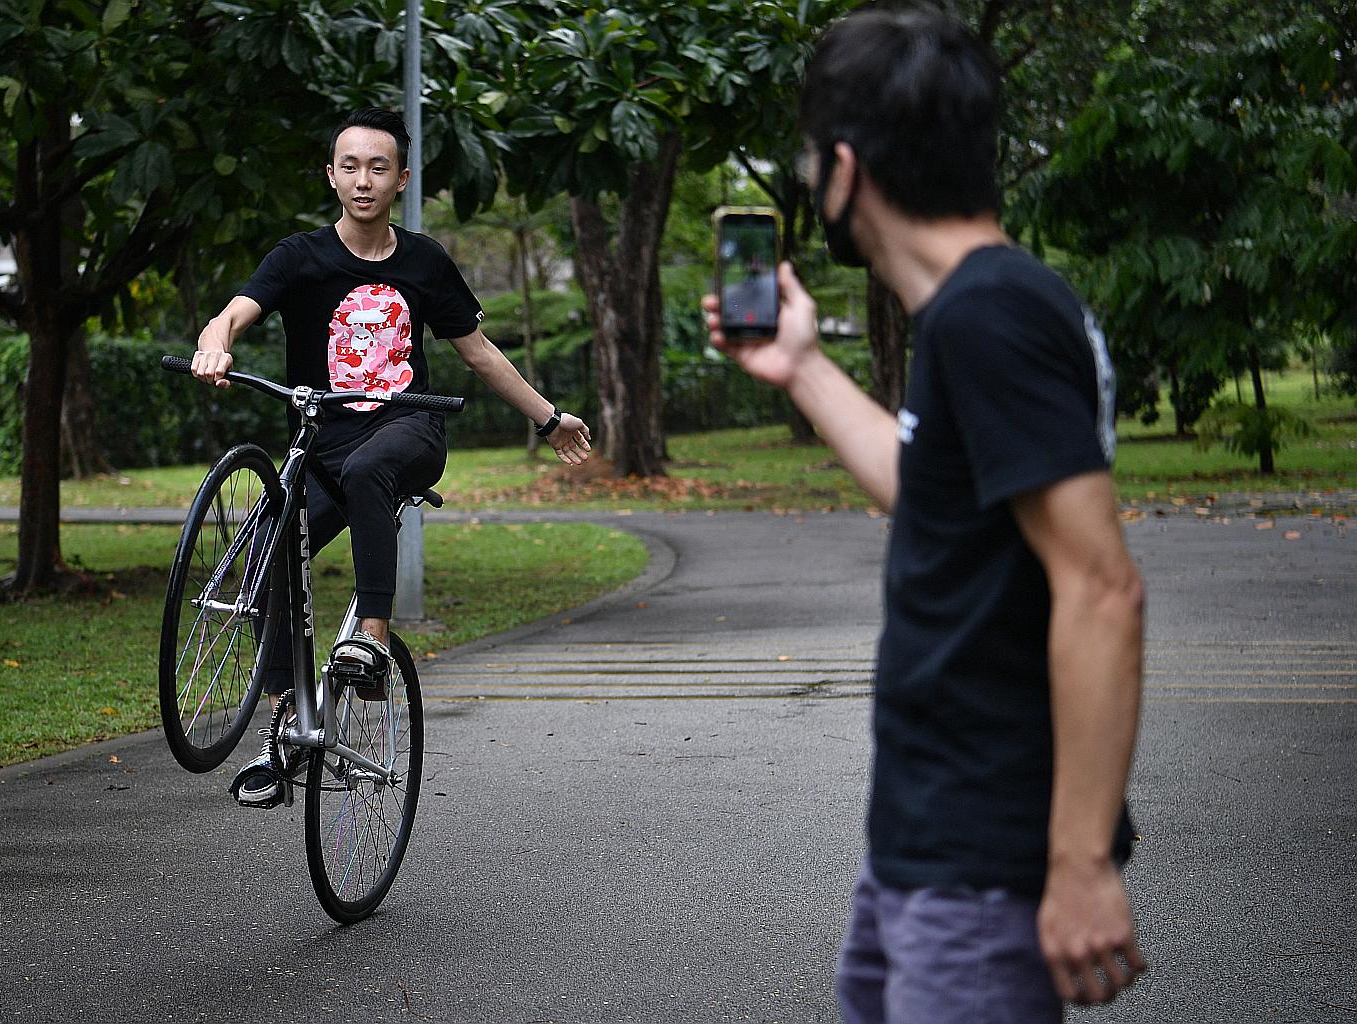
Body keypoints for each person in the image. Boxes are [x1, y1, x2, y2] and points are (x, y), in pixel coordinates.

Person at [703, 6, 1148, 1021]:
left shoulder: (994, 315)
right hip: (926, 839)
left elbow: (1102, 586)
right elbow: (932, 490)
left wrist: (1079, 860)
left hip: (985, 856)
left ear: (847, 169)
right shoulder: (981, 310)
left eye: (813, 159)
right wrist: (803, 370)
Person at [192, 107, 592, 807]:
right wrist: (216, 341)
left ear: (401, 179)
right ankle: (286, 720)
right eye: (350, 166)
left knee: (370, 469)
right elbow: (233, 310)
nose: (363, 180)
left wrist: (550, 418)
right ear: (331, 175)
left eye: (378, 167)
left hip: (409, 433)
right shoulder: (299, 256)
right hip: (321, 448)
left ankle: (371, 639)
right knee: (263, 551)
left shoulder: (424, 261)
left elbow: (479, 352)